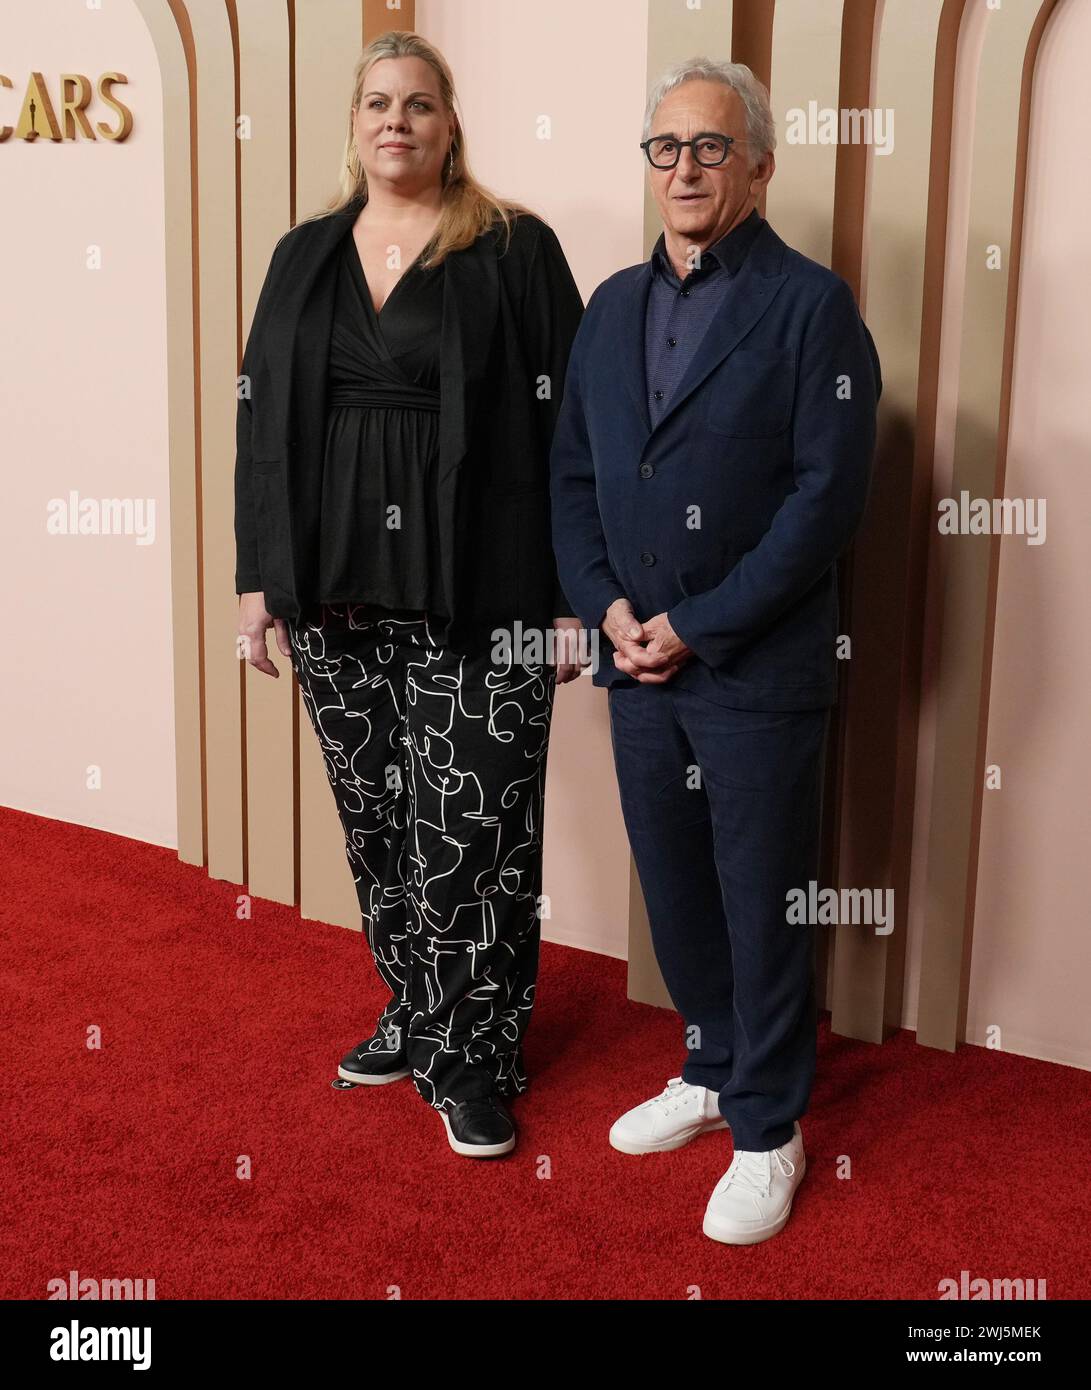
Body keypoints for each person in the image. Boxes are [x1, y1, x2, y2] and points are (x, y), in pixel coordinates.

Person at [235, 31, 583, 1159]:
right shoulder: (302, 255)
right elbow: (260, 432)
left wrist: (576, 593)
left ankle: (471, 1058)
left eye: (420, 105)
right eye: (378, 102)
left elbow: (571, 430)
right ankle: (414, 1007)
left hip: (482, 597)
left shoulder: (514, 250)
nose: (398, 120)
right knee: (380, 824)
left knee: (471, 834)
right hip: (333, 593)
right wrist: (257, 580)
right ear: (354, 123)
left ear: (449, 127)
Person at [550, 58, 881, 1241]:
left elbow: (823, 500)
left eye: (707, 148)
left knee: (758, 900)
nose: (682, 169)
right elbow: (575, 479)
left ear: (755, 165)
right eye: (663, 148)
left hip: (751, 672)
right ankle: (707, 1065)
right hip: (635, 664)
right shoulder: (606, 308)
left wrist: (697, 622)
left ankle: (766, 1128)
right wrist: (605, 607)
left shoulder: (810, 306)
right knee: (677, 889)